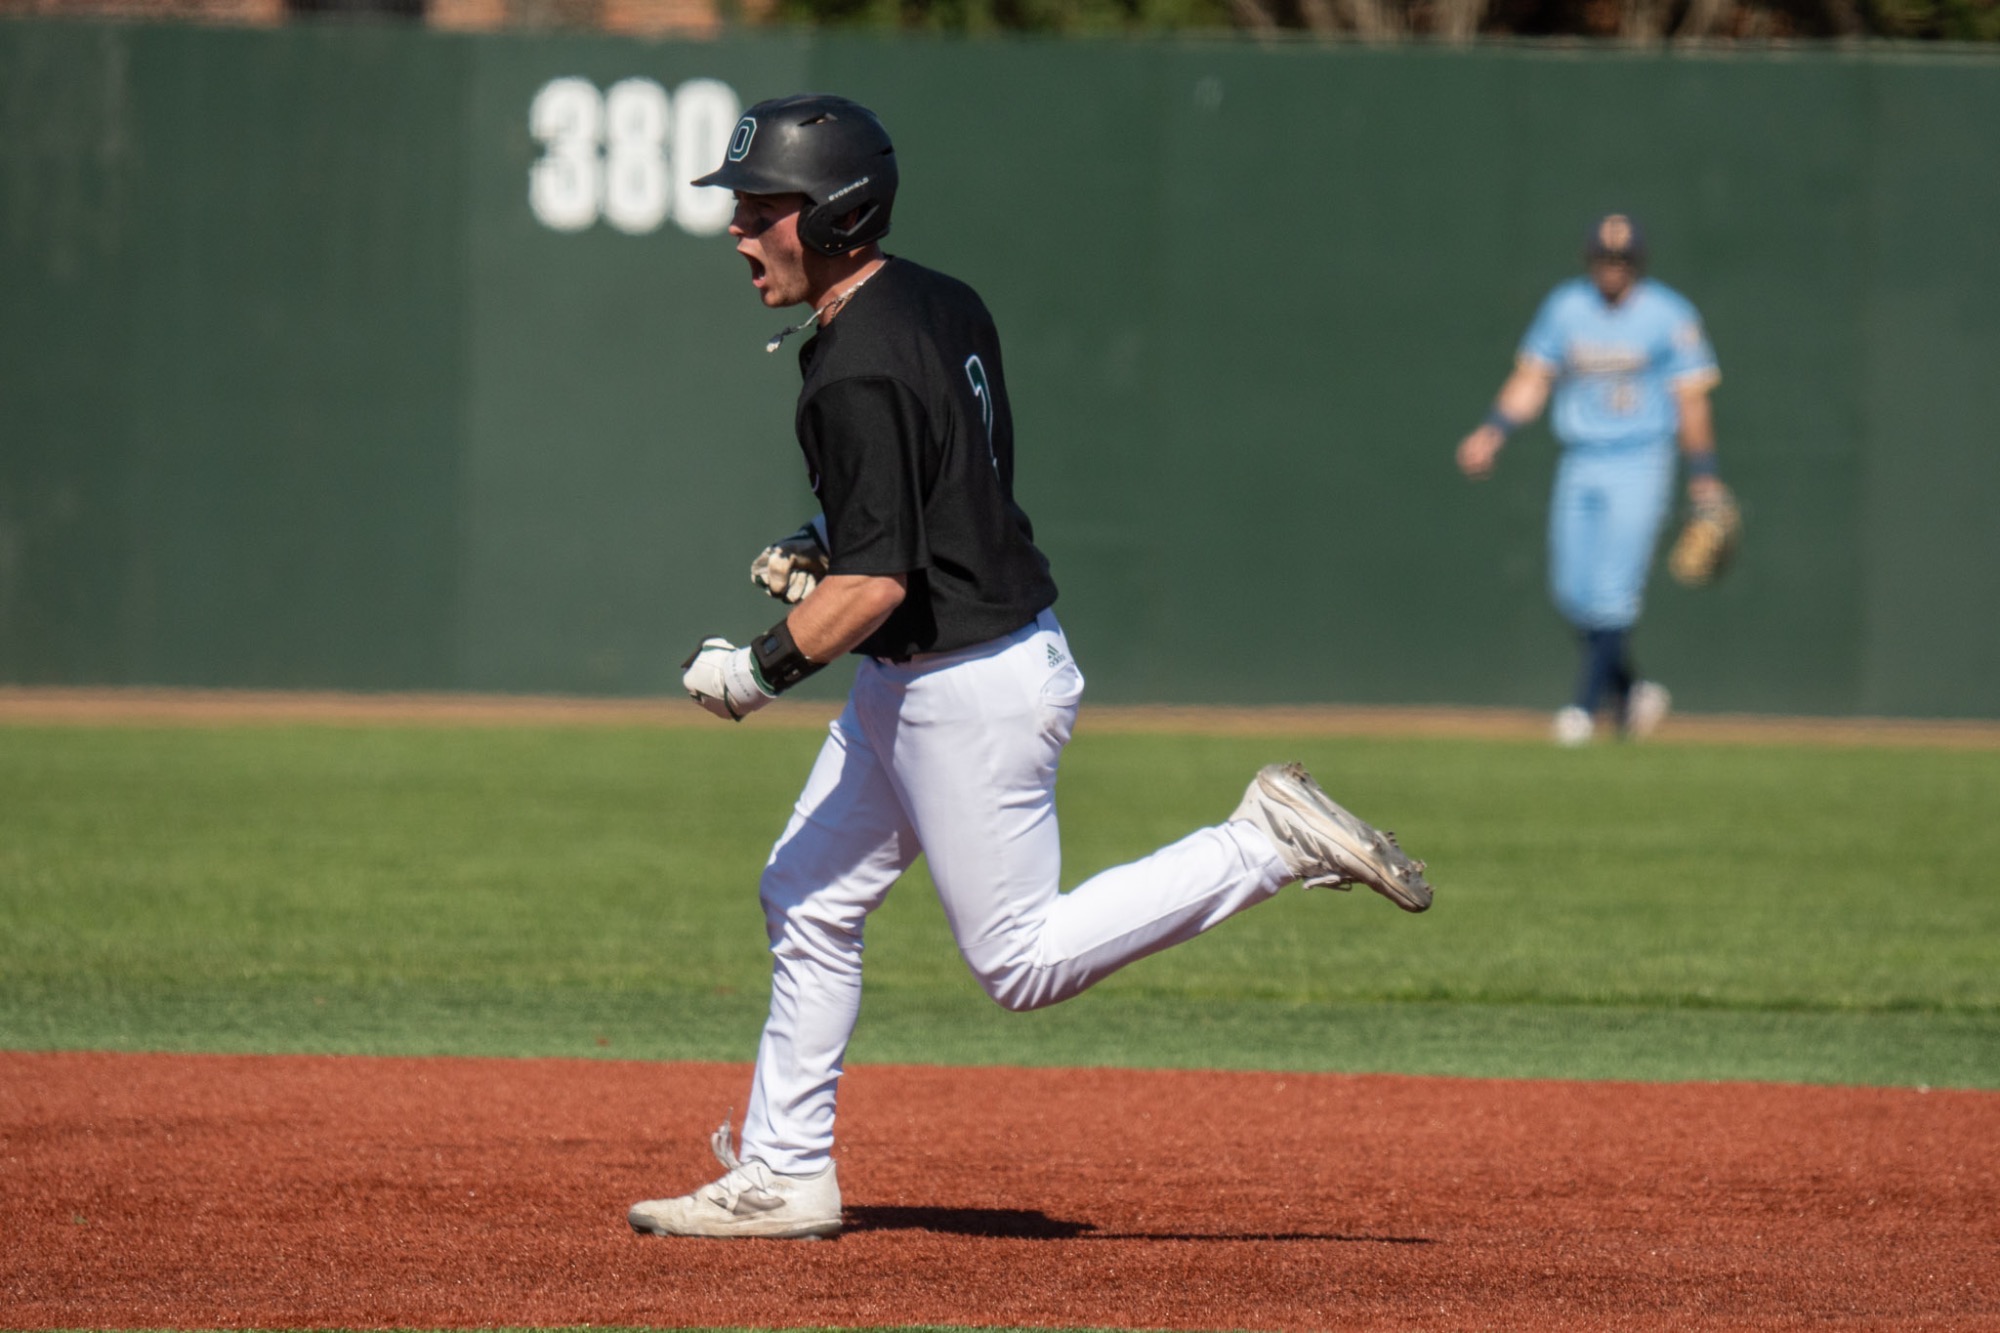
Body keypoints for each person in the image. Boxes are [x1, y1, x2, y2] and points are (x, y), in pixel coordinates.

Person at [625, 93, 1435, 1242]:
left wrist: (750, 673)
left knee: (1020, 961)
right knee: (805, 896)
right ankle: (784, 1169)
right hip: (942, 670)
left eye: (764, 207)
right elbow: (931, 486)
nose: (739, 229)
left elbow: (875, 589)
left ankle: (1261, 841)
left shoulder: (850, 368)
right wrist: (830, 534)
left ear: (838, 213)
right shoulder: (936, 299)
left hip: (963, 688)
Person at [1455, 214, 1730, 747]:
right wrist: (1493, 432)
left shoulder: (1668, 314)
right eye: (1604, 257)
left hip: (1640, 457)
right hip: (1582, 457)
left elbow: (1691, 401)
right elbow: (1533, 378)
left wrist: (1704, 477)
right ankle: (1632, 690)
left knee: (1613, 591)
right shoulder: (1566, 308)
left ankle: (1583, 709)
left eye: (1622, 259)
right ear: (1590, 259)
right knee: (1572, 591)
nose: (1612, 267)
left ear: (1638, 262)